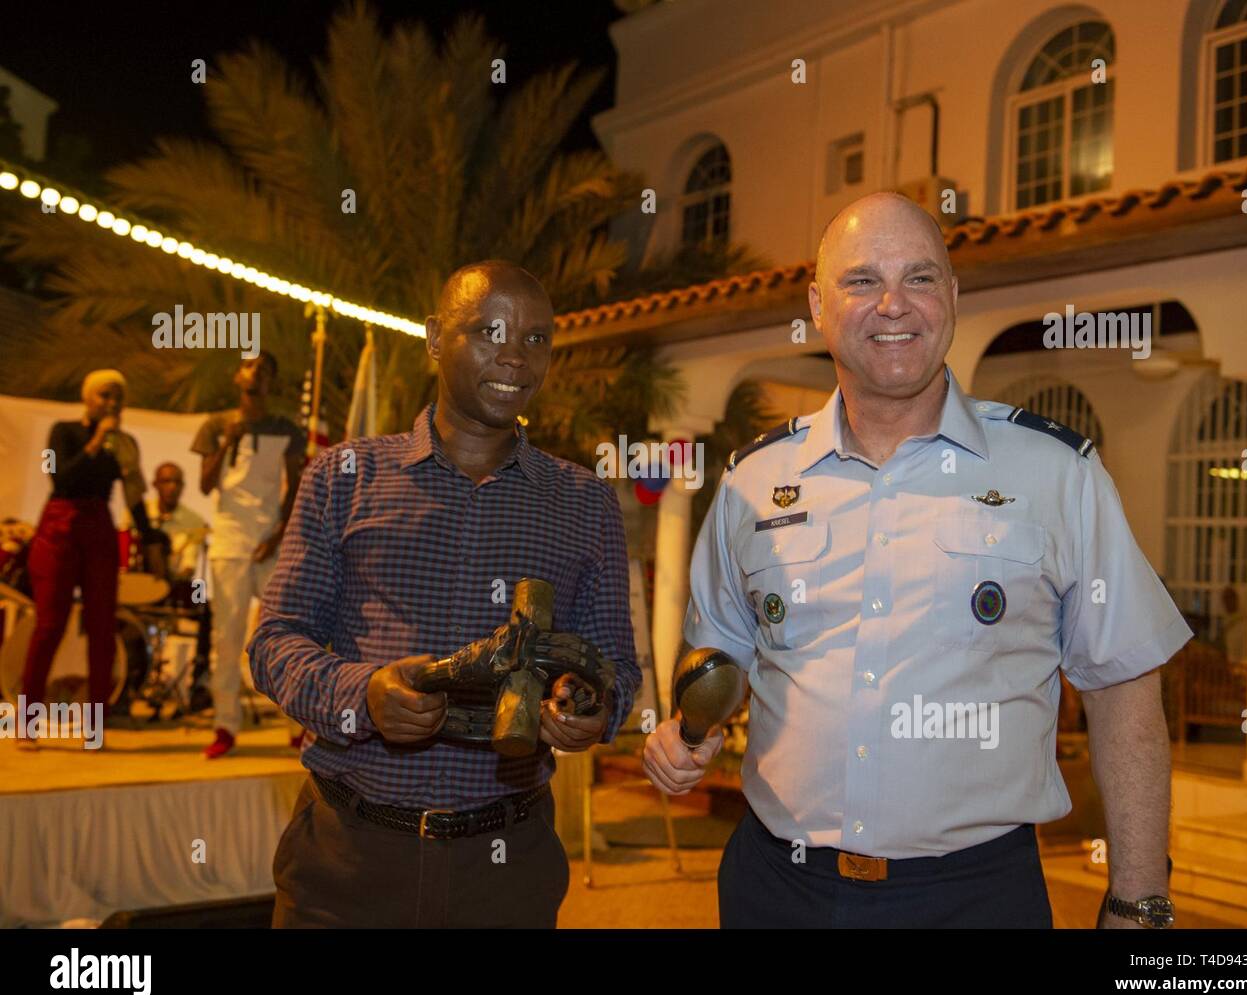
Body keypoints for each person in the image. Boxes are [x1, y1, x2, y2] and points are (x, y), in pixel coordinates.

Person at [644, 192, 1192, 929]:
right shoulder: (750, 484)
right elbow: (717, 658)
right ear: (817, 303)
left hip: (975, 898)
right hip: (777, 888)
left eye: (921, 278)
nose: (893, 304)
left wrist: (1139, 900)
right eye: (862, 280)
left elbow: (1124, 688)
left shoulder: (1058, 475)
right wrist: (689, 732)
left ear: (954, 296)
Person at [248, 261, 640, 928]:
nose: (515, 356)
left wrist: (590, 708)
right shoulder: (343, 477)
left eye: (537, 340)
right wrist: (361, 694)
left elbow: (617, 668)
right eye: (489, 331)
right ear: (434, 338)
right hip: (348, 866)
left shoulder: (585, 504)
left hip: (506, 869)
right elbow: (274, 641)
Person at [18, 369, 163, 749]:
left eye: (118, 396)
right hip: (59, 526)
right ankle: (27, 724)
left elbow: (133, 494)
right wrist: (97, 440)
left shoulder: (125, 444)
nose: (112, 403)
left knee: (102, 628)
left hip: (99, 527)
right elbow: (59, 478)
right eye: (104, 395)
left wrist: (150, 540)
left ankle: (96, 728)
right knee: (49, 624)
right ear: (87, 398)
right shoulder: (60, 432)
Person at [191, 353, 305, 758]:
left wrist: (279, 534)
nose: (255, 373)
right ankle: (225, 724)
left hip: (271, 541)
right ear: (237, 376)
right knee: (227, 637)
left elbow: (295, 487)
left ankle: (297, 724)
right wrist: (227, 441)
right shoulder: (216, 424)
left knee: (285, 633)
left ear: (271, 380)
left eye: (264, 369)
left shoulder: (287, 429)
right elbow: (205, 486)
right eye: (249, 367)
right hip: (229, 541)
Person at [118, 462, 212, 705]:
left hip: (175, 585)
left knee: (205, 603)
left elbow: (190, 567)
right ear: (155, 485)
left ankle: (199, 680)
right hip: (136, 583)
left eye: (177, 482)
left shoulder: (194, 521)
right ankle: (125, 682)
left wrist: (180, 567)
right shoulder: (138, 514)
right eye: (166, 481)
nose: (172, 488)